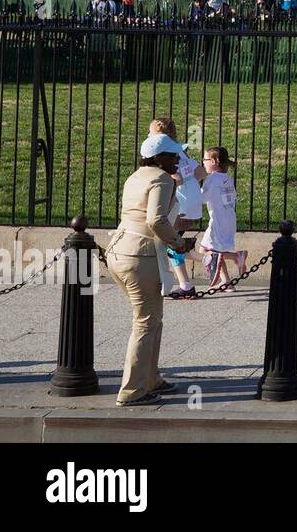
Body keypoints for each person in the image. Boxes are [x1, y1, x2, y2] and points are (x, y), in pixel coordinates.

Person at [103, 132, 198, 406]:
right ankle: (132, 391)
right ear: (158, 158)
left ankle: (151, 378)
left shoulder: (135, 176)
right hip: (140, 255)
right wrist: (179, 243)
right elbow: (156, 219)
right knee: (145, 321)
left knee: (153, 317)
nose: (178, 159)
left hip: (120, 250)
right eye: (172, 155)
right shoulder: (162, 178)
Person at [148, 119, 204, 300]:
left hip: (180, 204)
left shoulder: (164, 153)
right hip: (193, 201)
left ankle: (203, 265)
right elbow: (201, 173)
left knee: (171, 243)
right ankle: (187, 280)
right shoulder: (181, 151)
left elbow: (176, 178)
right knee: (171, 242)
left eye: (150, 133)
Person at [198, 147, 245, 286]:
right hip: (229, 218)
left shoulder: (212, 180)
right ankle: (226, 282)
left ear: (213, 161)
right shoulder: (227, 178)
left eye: (205, 160)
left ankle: (237, 257)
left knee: (205, 250)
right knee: (216, 251)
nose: (203, 163)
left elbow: (201, 198)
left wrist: (193, 183)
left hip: (217, 221)